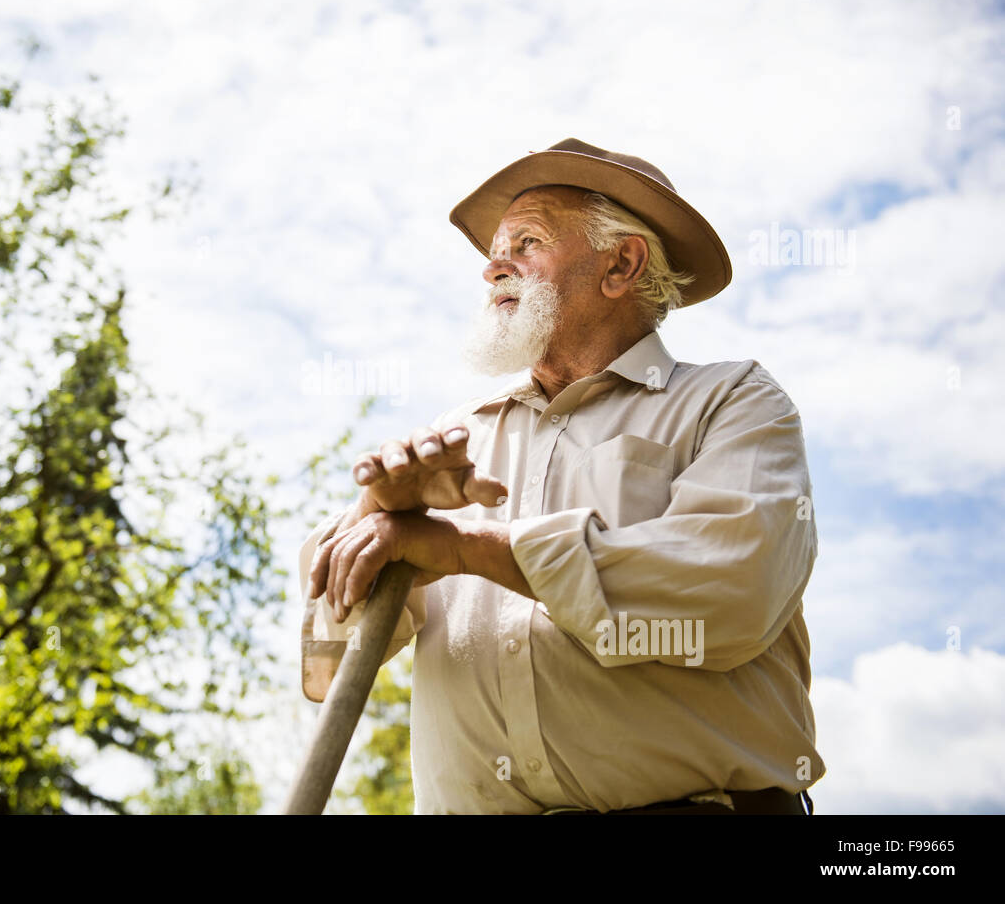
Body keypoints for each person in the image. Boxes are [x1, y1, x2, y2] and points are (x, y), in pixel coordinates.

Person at [299, 138, 824, 815]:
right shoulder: (450, 443)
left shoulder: (733, 402)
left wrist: (466, 549)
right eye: (496, 247)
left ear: (620, 264)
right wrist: (377, 513)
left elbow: (732, 588)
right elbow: (326, 665)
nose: (495, 266)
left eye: (527, 242)